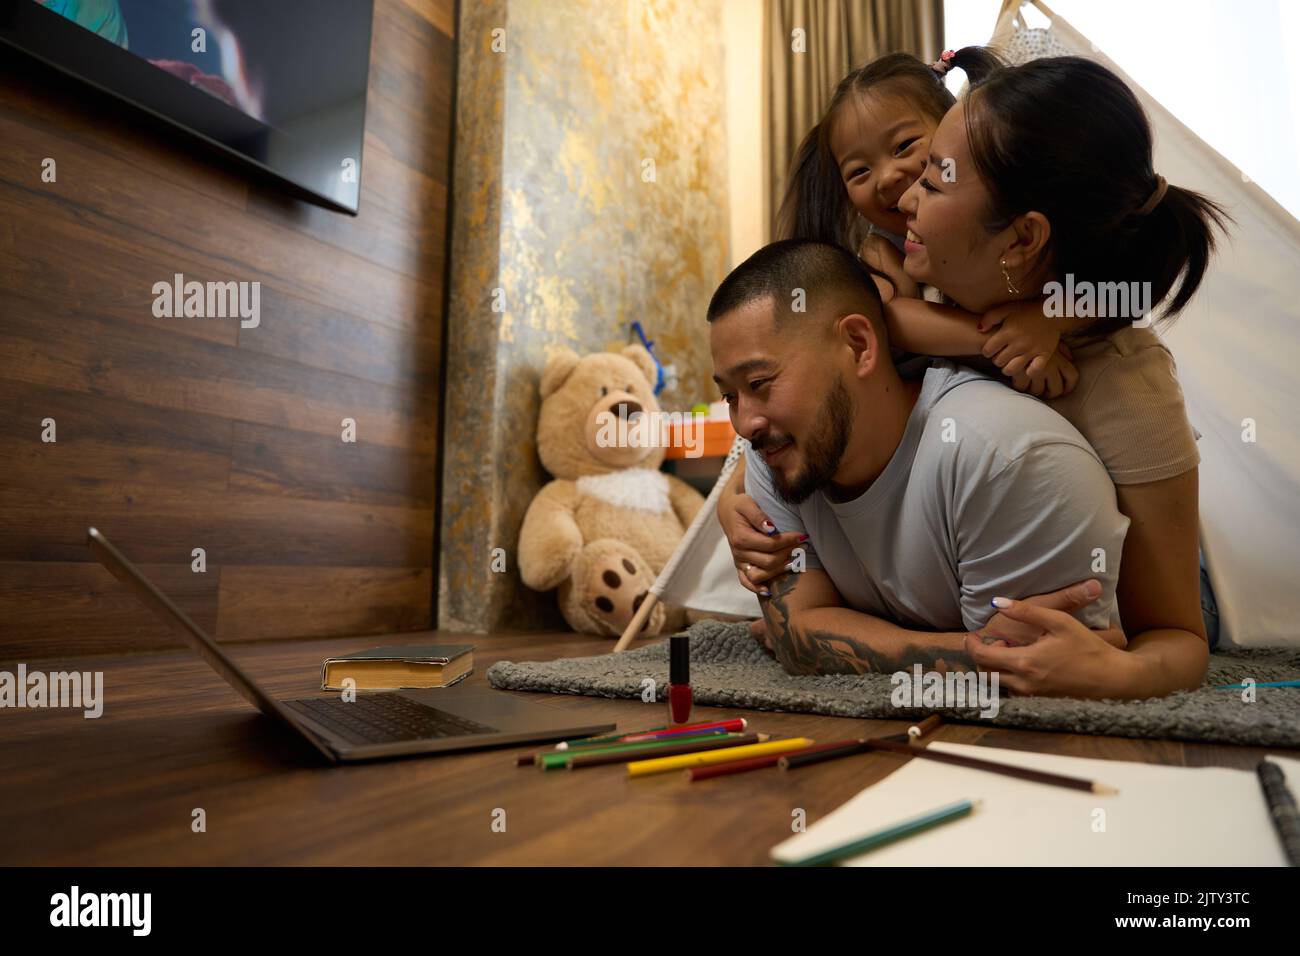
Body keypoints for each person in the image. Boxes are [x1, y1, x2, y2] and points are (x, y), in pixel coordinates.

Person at [708, 239, 1139, 699]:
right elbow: (801, 638)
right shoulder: (778, 451)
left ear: (858, 345)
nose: (744, 422)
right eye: (730, 396)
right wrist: (972, 654)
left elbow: (1036, 680)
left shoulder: (1003, 458)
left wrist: (835, 635)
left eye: (759, 383)